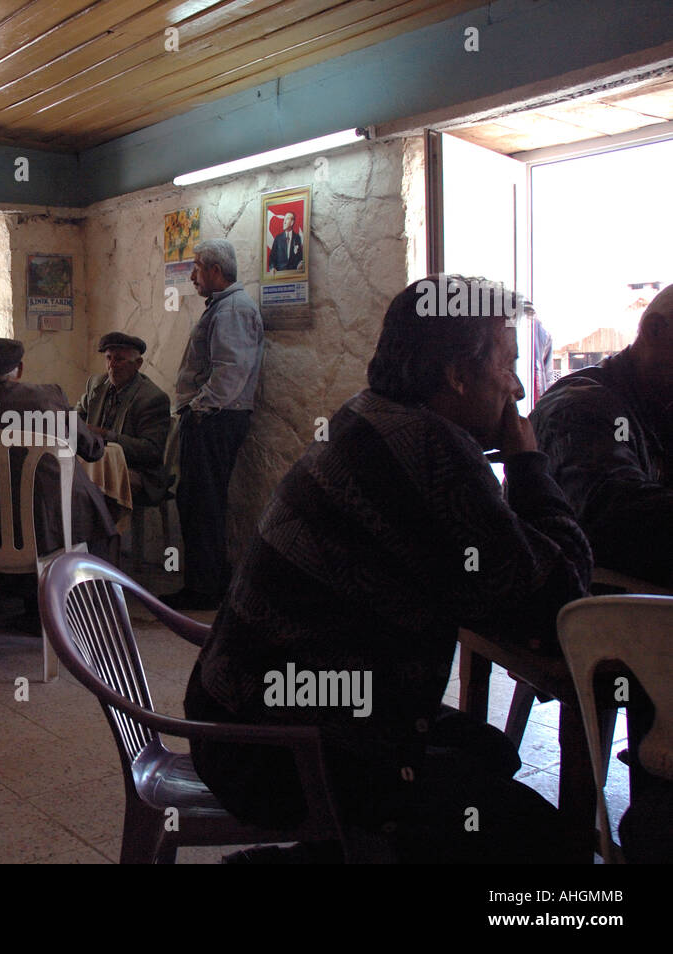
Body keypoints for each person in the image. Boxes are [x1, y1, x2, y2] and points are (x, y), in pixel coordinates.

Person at [185, 275, 592, 864]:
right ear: (456, 373)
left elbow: (493, 567)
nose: (519, 389)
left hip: (240, 716)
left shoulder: (373, 415)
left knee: (489, 754)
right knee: (544, 842)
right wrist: (528, 463)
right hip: (278, 753)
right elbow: (555, 604)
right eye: (507, 365)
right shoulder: (431, 450)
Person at [530, 285, 673, 584]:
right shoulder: (579, 409)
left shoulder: (654, 403)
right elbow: (621, 523)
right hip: (586, 625)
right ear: (656, 331)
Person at [163, 238, 264, 611]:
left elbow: (230, 371)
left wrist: (198, 408)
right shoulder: (223, 307)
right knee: (198, 501)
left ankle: (204, 589)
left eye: (196, 268)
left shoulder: (233, 309)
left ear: (215, 271)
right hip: (213, 418)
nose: (192, 276)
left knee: (201, 503)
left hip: (215, 420)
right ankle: (208, 582)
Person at [0, 338, 118, 563]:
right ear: (20, 369)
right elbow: (91, 450)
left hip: (4, 525)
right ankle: (90, 589)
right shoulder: (50, 394)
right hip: (65, 519)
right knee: (94, 500)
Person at [76, 332, 171, 506]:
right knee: (61, 474)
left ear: (138, 364)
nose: (111, 366)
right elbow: (76, 418)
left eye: (119, 360)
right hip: (98, 464)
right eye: (108, 358)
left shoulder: (152, 398)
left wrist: (106, 435)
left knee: (92, 485)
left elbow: (151, 451)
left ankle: (107, 532)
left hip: (138, 471)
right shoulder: (96, 384)